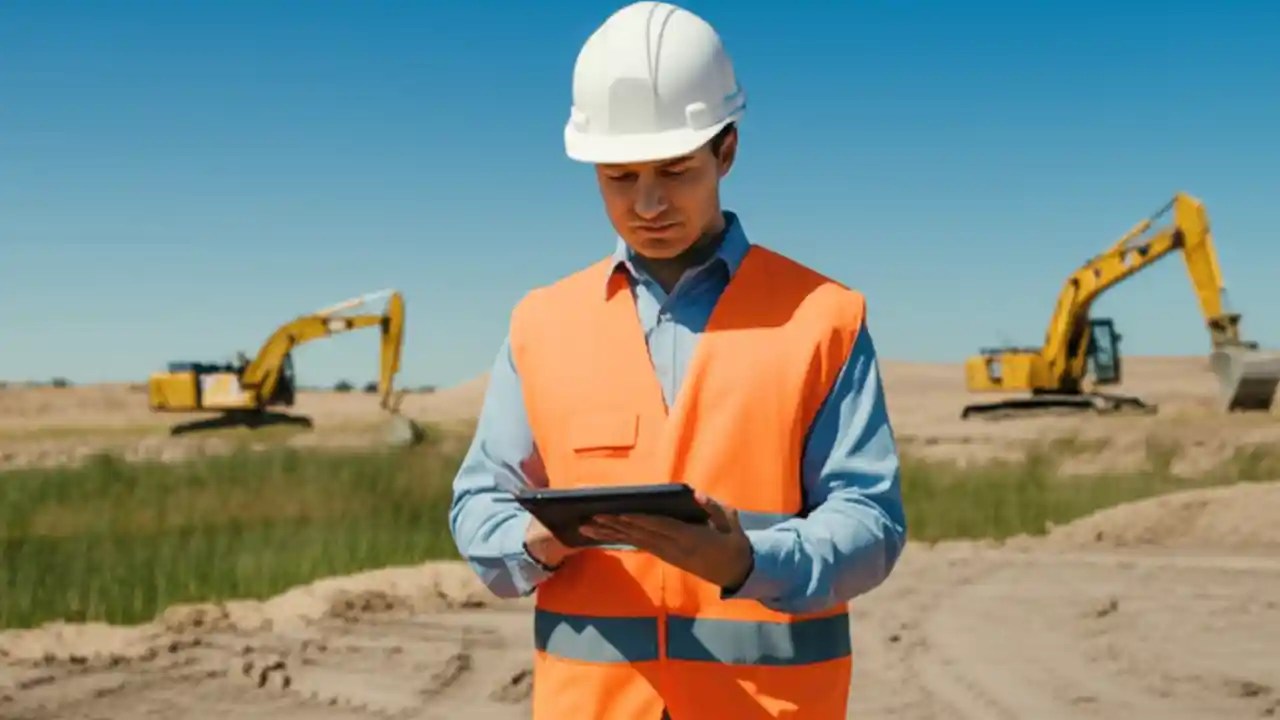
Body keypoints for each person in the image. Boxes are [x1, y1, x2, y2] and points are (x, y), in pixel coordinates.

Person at [448, 2, 907, 718]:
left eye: (675, 170)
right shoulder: (542, 324)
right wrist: (534, 542)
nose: (649, 203)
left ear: (727, 151)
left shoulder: (822, 318)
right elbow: (479, 503)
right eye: (619, 177)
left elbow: (870, 520)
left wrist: (749, 562)